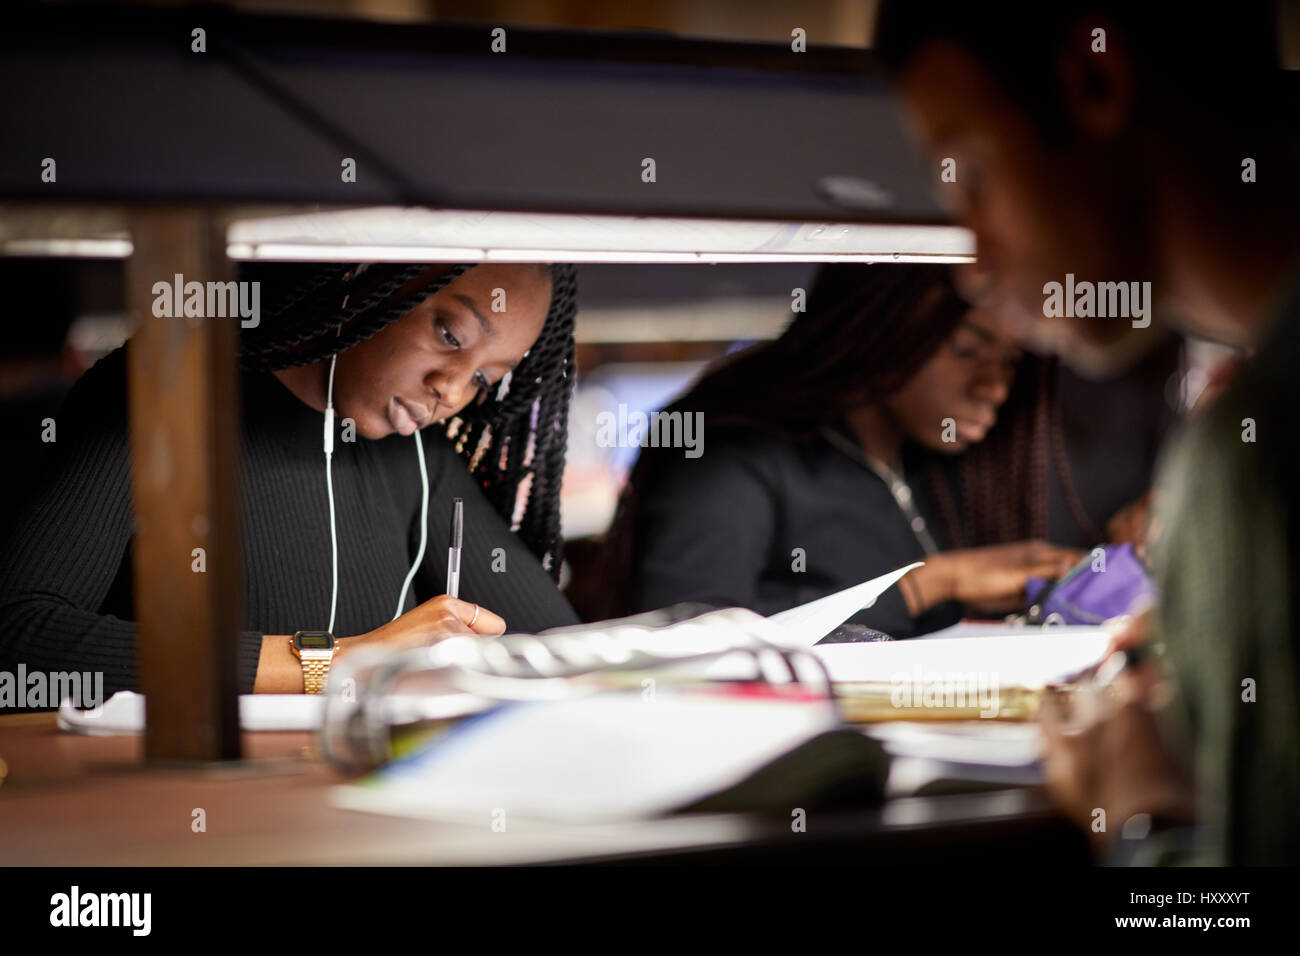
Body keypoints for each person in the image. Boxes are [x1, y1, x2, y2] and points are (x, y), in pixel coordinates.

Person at [876, 0, 1300, 864]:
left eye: (970, 177)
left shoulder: (1257, 448)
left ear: (1095, 80)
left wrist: (1138, 819)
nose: (976, 258)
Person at [0, 261, 581, 699]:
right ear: (365, 279)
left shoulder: (417, 453)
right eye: (450, 336)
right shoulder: (163, 394)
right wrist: (338, 661)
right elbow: (20, 637)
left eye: (483, 378)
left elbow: (561, 648)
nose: (451, 391)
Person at [587, 263, 1089, 635]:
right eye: (965, 348)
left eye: (1008, 360)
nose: (993, 386)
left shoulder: (935, 460)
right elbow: (689, 634)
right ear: (880, 325)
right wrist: (927, 586)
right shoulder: (732, 452)